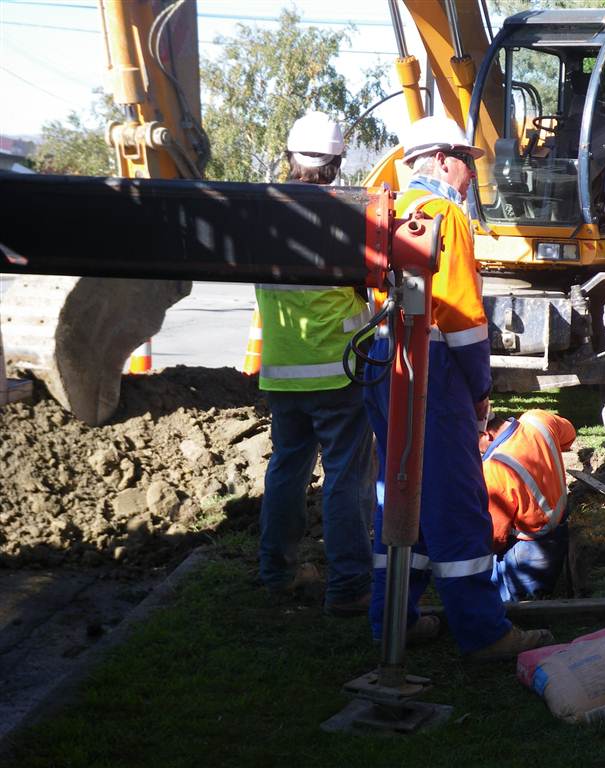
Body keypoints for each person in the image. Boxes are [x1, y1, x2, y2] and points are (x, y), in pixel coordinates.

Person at [363, 115, 554, 659]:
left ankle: (392, 619)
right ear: (445, 160)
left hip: (384, 364)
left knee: (399, 491)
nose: (472, 174)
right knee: (455, 502)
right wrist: (479, 390)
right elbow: (466, 322)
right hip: (434, 372)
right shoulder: (444, 213)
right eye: (468, 162)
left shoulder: (390, 208)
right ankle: (483, 631)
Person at [256, 111, 375, 616]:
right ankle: (348, 588)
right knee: (346, 476)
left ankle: (276, 572)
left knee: (286, 467)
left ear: (289, 156)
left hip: (282, 371)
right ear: (336, 161)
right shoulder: (347, 213)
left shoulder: (261, 214)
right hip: (338, 372)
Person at [480, 409, 576, 602]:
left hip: (527, 549)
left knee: (519, 608)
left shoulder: (495, 466)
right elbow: (569, 436)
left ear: (486, 435)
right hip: (559, 526)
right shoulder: (537, 419)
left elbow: (495, 536)